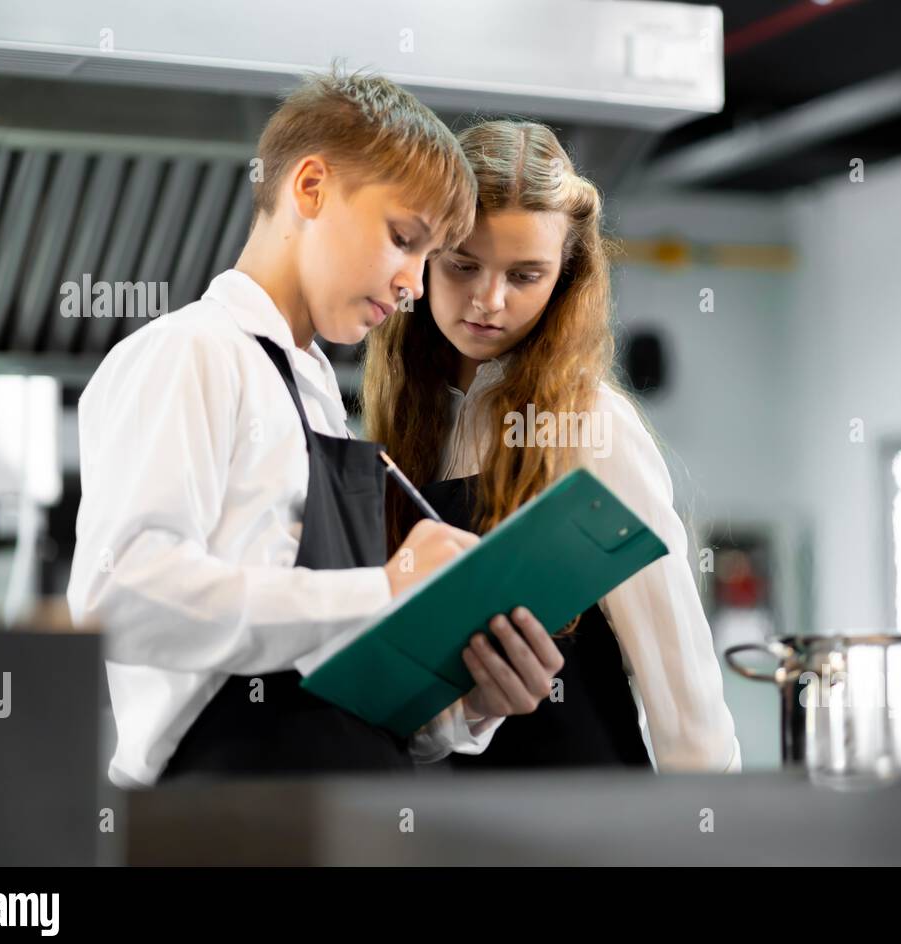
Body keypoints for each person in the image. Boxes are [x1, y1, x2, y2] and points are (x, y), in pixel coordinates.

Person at [67, 72, 563, 789]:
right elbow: (125, 599)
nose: (416, 286)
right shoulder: (192, 351)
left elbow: (334, 670)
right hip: (233, 804)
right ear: (309, 188)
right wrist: (385, 590)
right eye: (403, 239)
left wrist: (469, 704)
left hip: (344, 800)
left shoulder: (320, 398)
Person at [362, 120, 740, 772]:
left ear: (565, 280)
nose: (489, 300)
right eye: (463, 265)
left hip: (585, 818)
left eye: (526, 275)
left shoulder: (592, 424)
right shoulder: (393, 427)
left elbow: (685, 695)